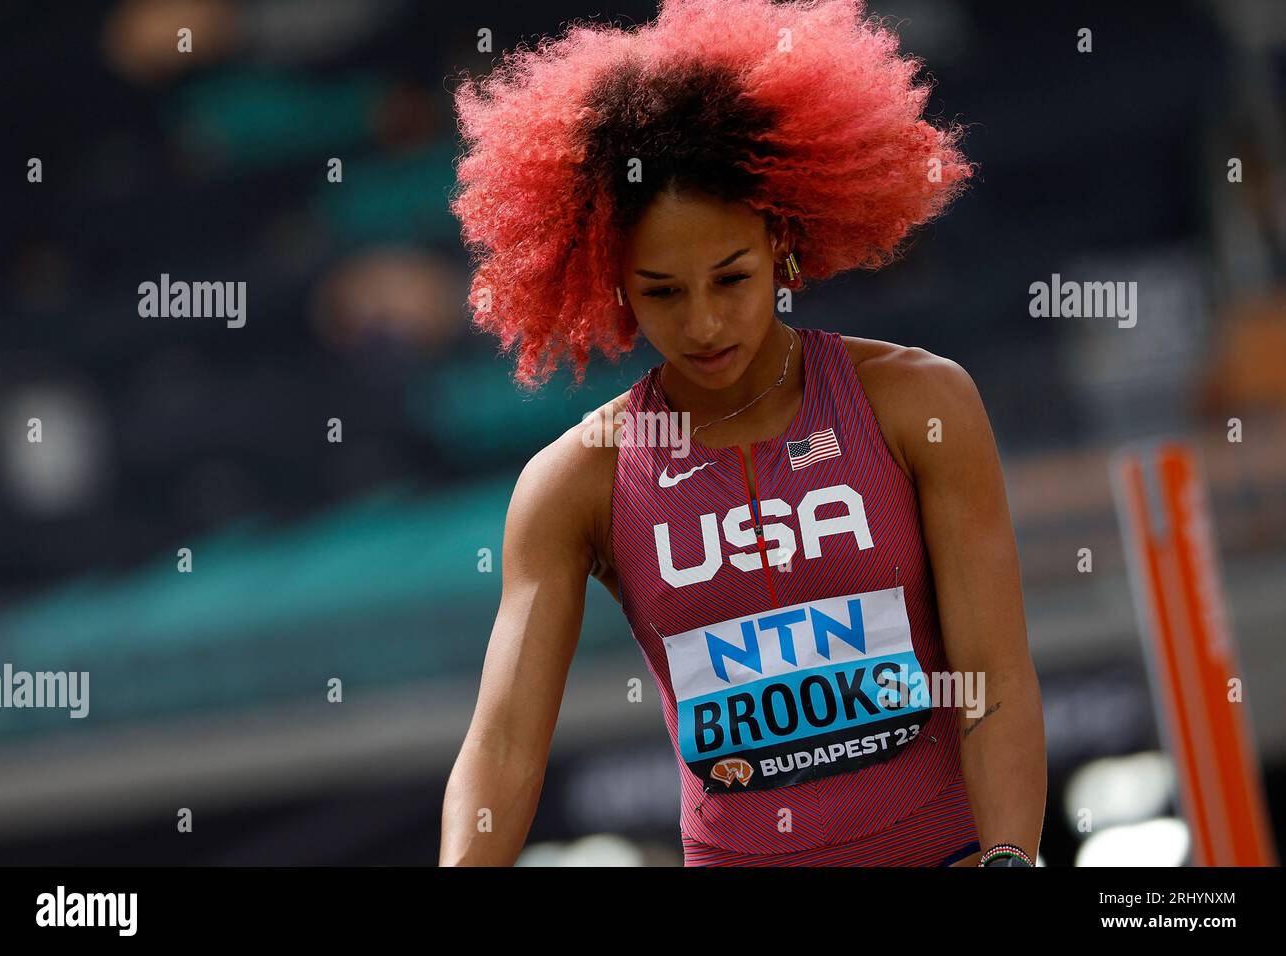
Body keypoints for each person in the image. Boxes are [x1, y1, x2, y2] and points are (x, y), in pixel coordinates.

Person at [440, 0, 1046, 867]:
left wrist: (1011, 859)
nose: (704, 322)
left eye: (732, 277)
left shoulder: (919, 405)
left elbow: (994, 682)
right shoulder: (574, 482)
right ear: (611, 284)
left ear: (784, 243)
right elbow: (501, 746)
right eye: (661, 291)